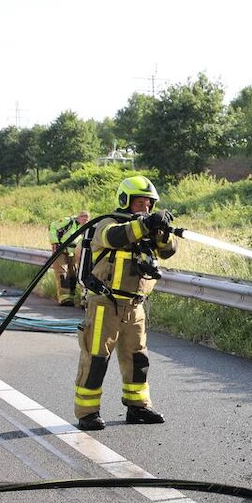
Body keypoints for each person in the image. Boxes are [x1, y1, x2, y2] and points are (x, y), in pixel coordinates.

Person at [73, 176, 177, 431]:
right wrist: (146, 223)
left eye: (149, 204)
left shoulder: (147, 228)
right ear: (125, 201)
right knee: (96, 358)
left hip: (135, 306)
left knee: (137, 358)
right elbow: (116, 237)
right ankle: (87, 413)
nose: (145, 208)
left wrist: (161, 229)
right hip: (105, 304)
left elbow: (168, 250)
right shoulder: (108, 224)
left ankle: (138, 407)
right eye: (139, 202)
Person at [47, 210, 89, 306]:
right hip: (61, 251)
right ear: (79, 217)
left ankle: (71, 298)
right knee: (63, 274)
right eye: (84, 218)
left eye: (87, 219)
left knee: (73, 275)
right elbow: (52, 226)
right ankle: (64, 298)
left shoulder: (84, 229)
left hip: (73, 253)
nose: (85, 221)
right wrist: (54, 242)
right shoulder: (68, 221)